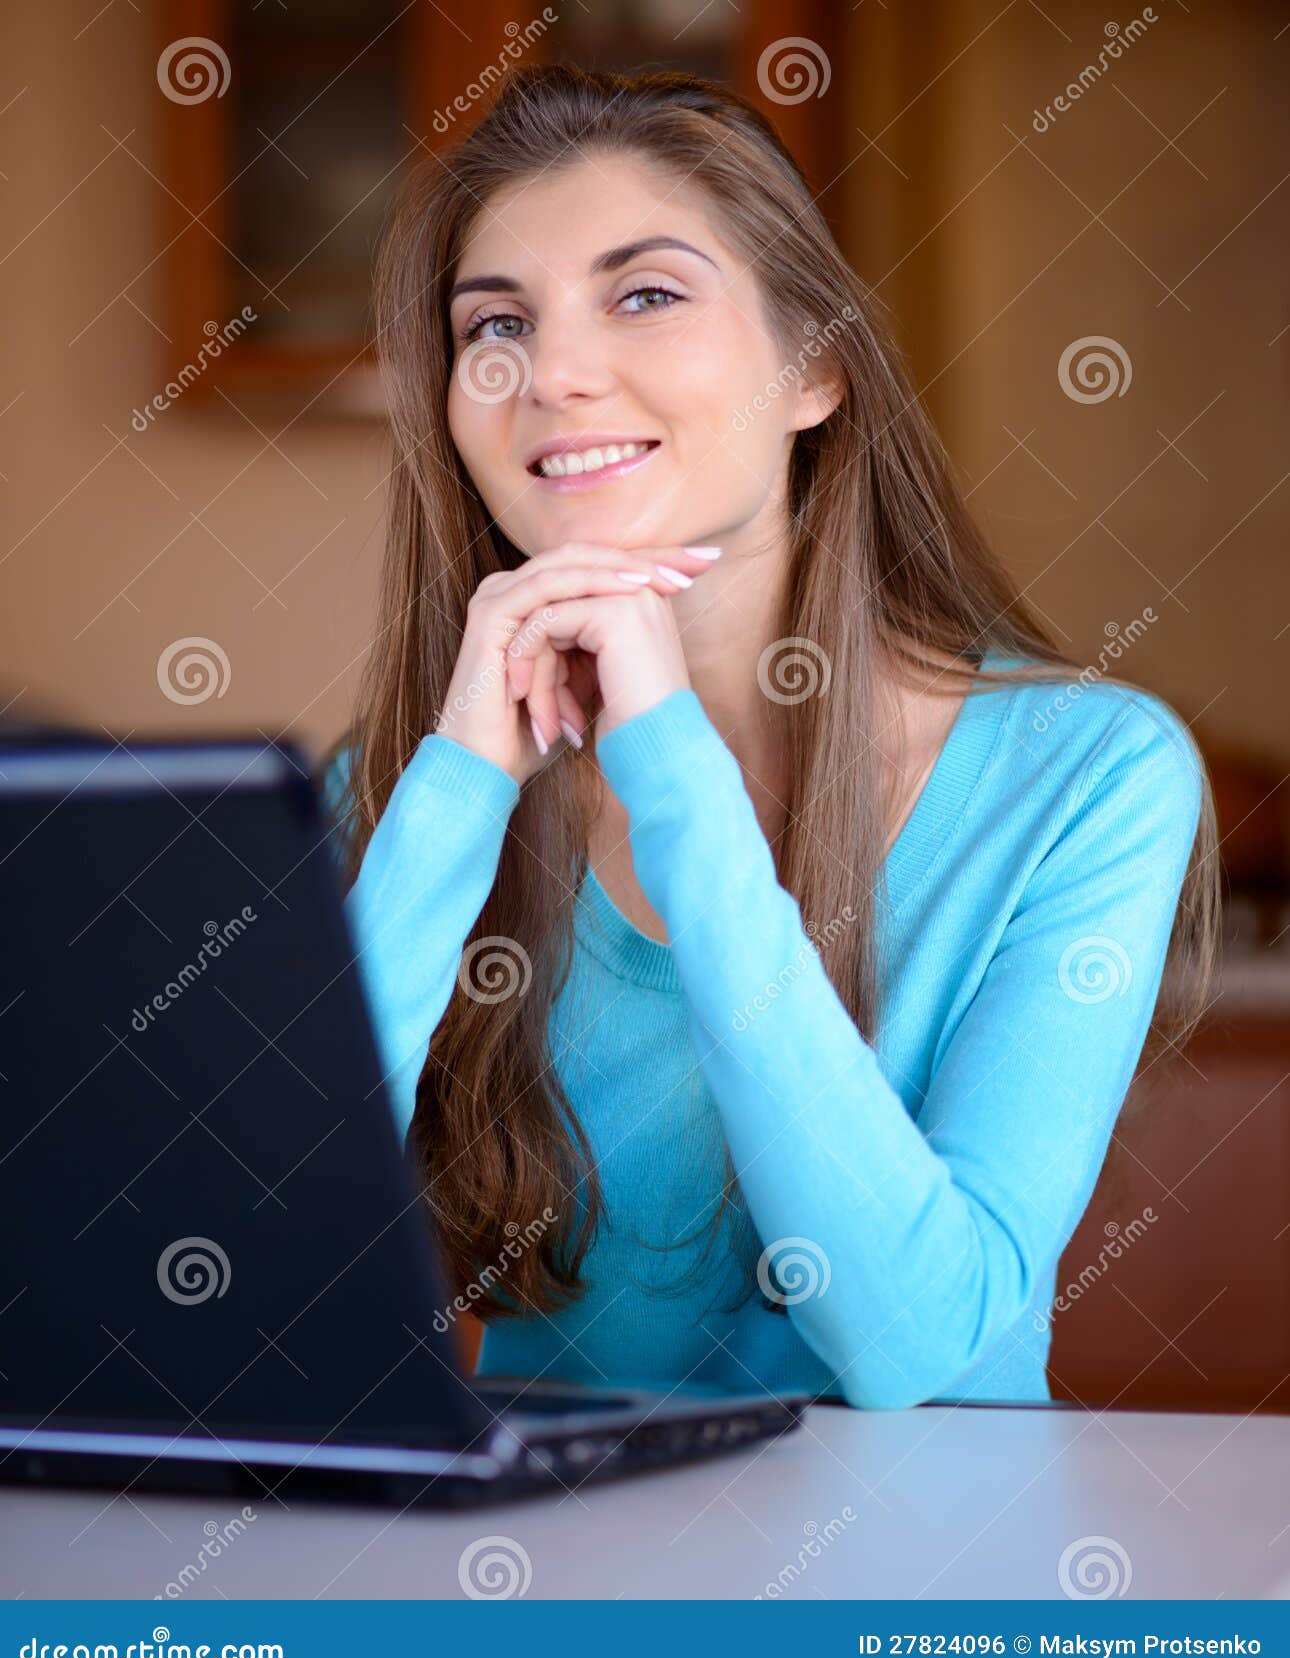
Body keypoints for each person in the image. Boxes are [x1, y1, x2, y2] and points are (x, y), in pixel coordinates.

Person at [320, 64, 1218, 1410]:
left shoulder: (1090, 776)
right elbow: (245, 1284)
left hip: (926, 1541)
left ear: (815, 367)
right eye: (495, 323)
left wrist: (668, 763)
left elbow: (919, 1344)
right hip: (548, 1533)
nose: (549, 372)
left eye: (645, 294)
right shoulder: (407, 790)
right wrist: (449, 800)